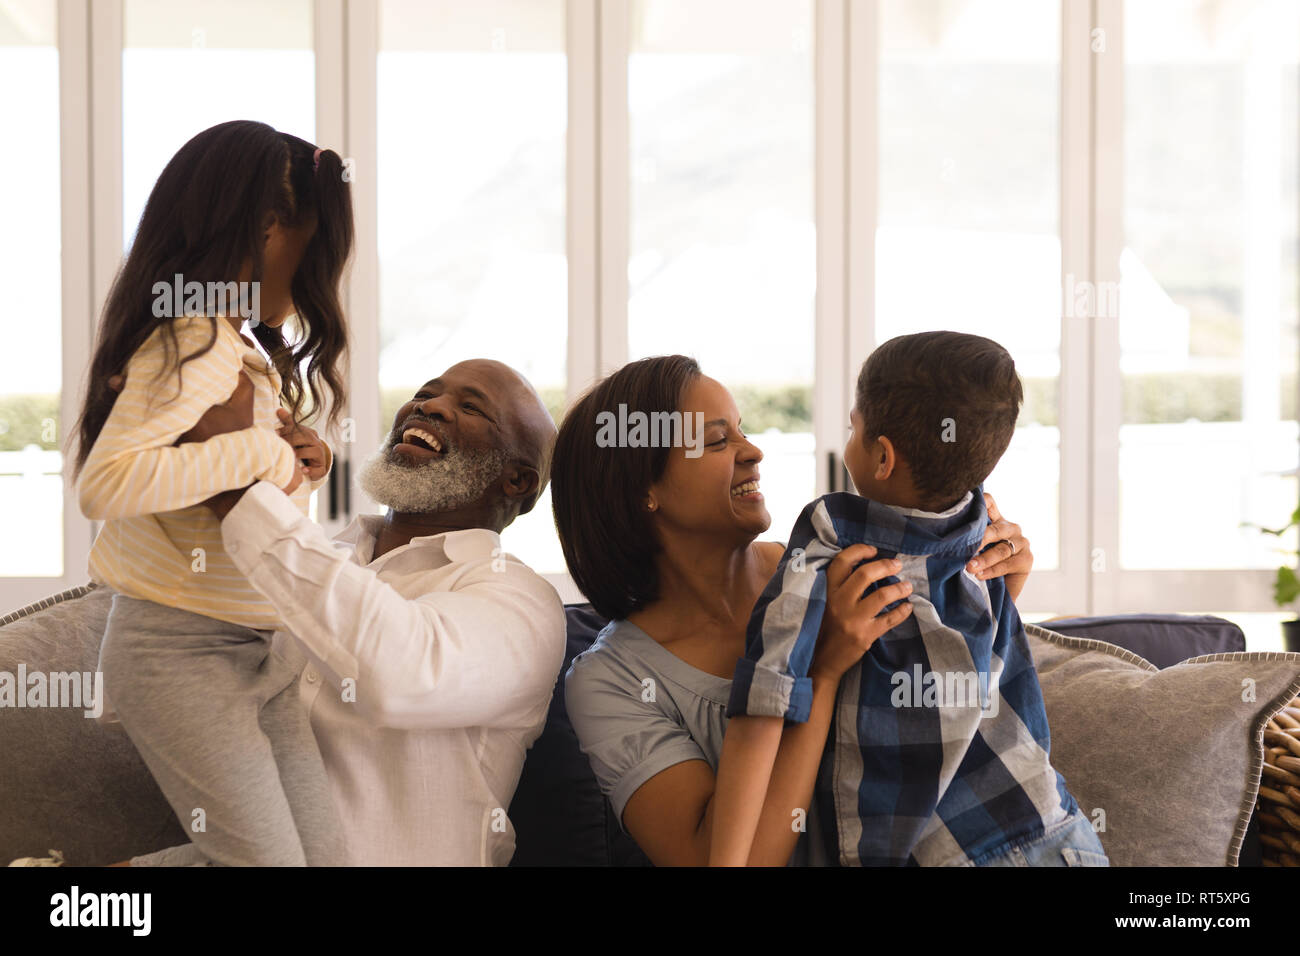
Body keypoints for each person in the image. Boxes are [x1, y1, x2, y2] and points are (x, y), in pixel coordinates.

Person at [554, 354, 1035, 866]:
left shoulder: (825, 568)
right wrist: (823, 672)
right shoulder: (612, 682)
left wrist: (993, 587)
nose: (753, 451)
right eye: (718, 441)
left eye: (742, 431)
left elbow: (939, 714)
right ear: (641, 489)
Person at [125, 359, 567, 866]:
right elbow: (191, 661)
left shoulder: (517, 599)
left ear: (517, 482)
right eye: (427, 392)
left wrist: (244, 494)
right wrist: (266, 473)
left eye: (471, 408)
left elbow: (405, 675)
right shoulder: (317, 556)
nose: (430, 406)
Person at [71, 120, 354, 866]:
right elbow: (106, 484)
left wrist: (301, 462)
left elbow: (233, 488)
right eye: (313, 245)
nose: (316, 272)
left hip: (266, 646)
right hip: (180, 648)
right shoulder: (190, 338)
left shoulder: (236, 344)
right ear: (268, 231)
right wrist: (258, 450)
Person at [714, 331, 1107, 867]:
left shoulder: (833, 536)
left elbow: (767, 696)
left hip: (941, 854)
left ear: (882, 457)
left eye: (853, 428)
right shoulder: (982, 523)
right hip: (1059, 832)